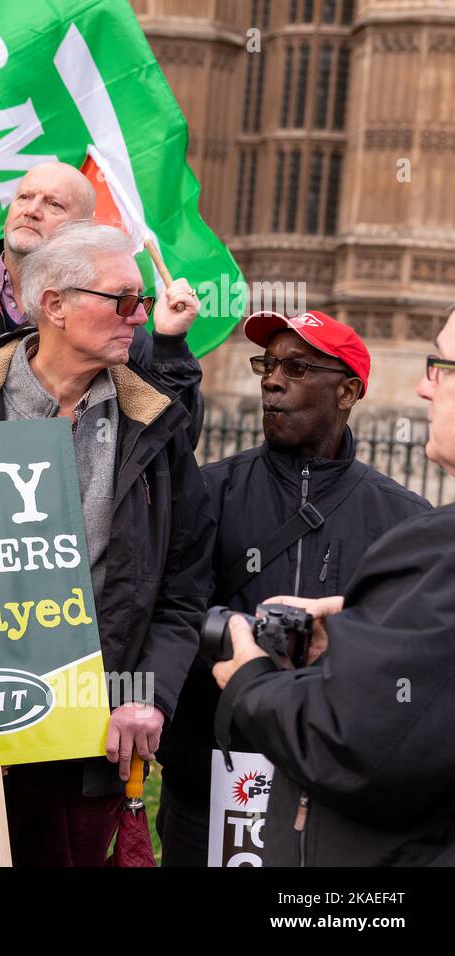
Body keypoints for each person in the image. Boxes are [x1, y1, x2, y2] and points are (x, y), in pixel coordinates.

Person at [0, 221, 214, 865]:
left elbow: (184, 587)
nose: (141, 315)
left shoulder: (158, 425)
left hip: (96, 739)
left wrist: (147, 695)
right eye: (122, 299)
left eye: (140, 300)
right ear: (54, 304)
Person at [155, 310, 429, 866]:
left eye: (297, 368)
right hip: (209, 779)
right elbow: (169, 614)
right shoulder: (210, 491)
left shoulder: (403, 520)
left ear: (348, 391)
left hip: (328, 794)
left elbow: (409, 665)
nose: (272, 381)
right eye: (268, 365)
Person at [0, 161, 204, 440]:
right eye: (24, 197)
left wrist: (170, 344)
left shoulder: (113, 323)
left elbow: (176, 438)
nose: (31, 210)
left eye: (54, 204)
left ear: (82, 228)